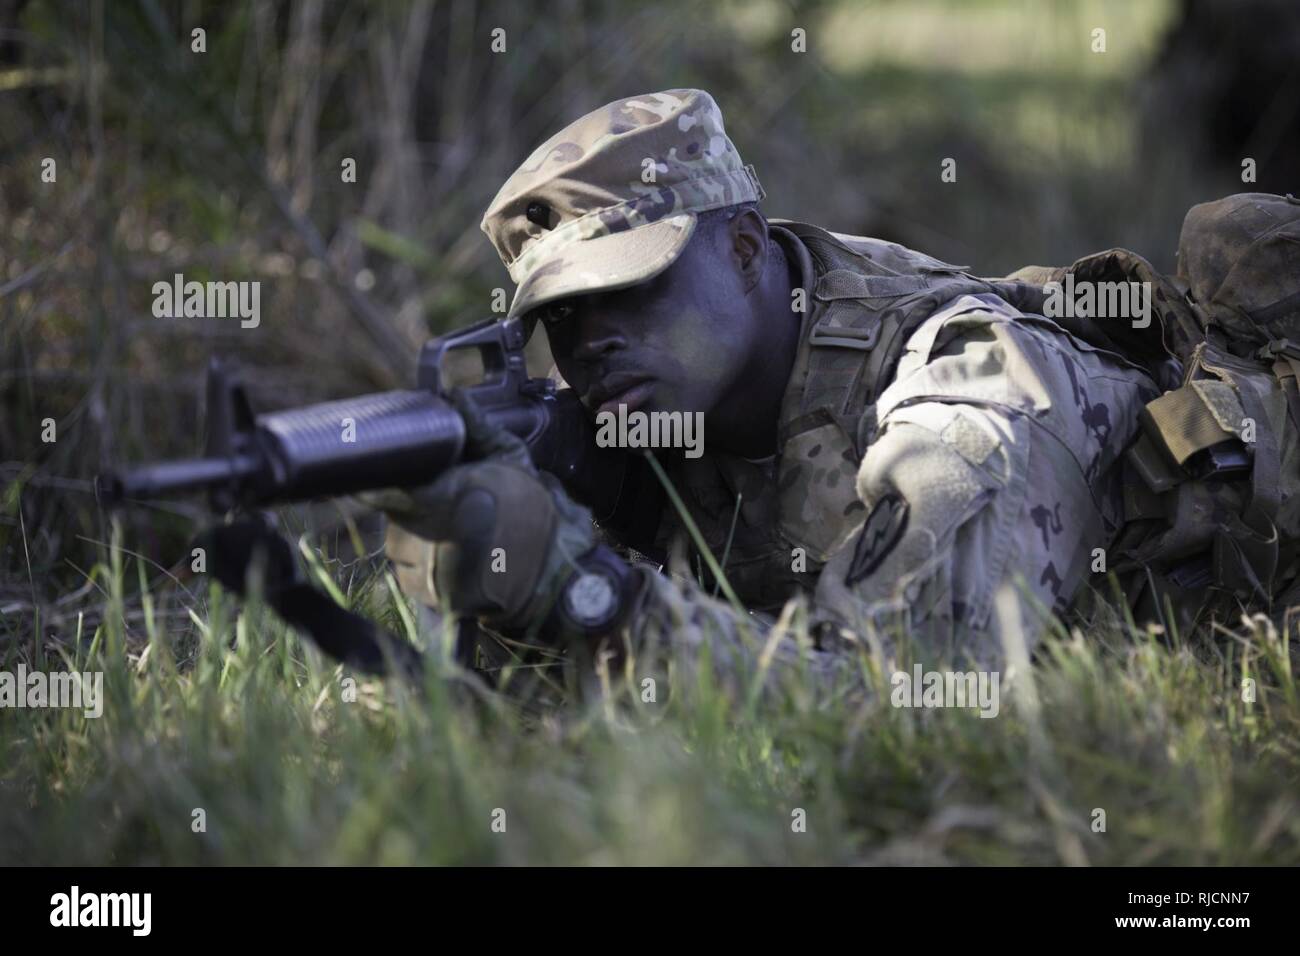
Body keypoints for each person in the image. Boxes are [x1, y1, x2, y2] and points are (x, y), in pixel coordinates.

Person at [374, 88, 1161, 688]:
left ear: (747, 248)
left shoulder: (969, 384)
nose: (590, 343)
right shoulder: (635, 411)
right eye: (563, 315)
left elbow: (901, 698)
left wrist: (596, 599)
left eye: (629, 288)